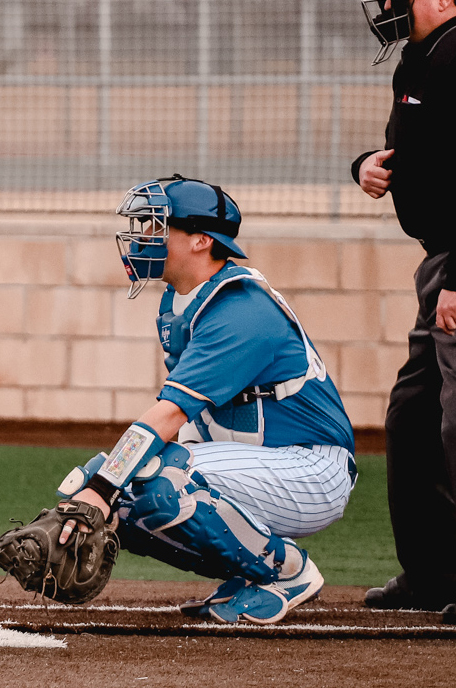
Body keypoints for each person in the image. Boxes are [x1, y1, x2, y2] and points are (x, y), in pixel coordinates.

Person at [56, 176, 356, 624]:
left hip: (310, 470)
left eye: (157, 226)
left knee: (151, 481)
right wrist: (103, 483)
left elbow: (169, 414)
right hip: (258, 461)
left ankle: (288, 572)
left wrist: (106, 485)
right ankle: (251, 571)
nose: (143, 237)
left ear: (201, 240)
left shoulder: (240, 309)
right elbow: (181, 423)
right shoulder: (180, 303)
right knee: (118, 490)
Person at [353, 0, 456, 625]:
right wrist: (368, 165)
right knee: (415, 417)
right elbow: (421, 150)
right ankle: (434, 571)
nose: (385, 2)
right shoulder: (419, 59)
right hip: (444, 259)